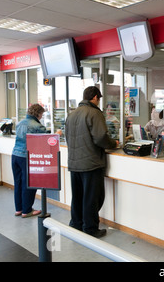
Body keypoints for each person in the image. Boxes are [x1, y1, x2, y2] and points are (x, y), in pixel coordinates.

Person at [65, 86, 119, 238]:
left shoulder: (72, 114)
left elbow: (68, 137)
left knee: (77, 196)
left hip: (74, 162)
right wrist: (113, 144)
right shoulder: (94, 113)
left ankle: (76, 224)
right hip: (90, 163)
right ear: (95, 97)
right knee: (91, 198)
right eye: (99, 98)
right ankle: (90, 228)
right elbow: (101, 137)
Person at [11, 104, 47, 218]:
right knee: (30, 183)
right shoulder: (37, 126)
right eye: (41, 114)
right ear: (38, 114)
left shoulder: (20, 123)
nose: (41, 116)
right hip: (27, 157)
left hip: (15, 155)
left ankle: (19, 209)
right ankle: (27, 210)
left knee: (18, 183)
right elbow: (46, 140)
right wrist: (57, 134)